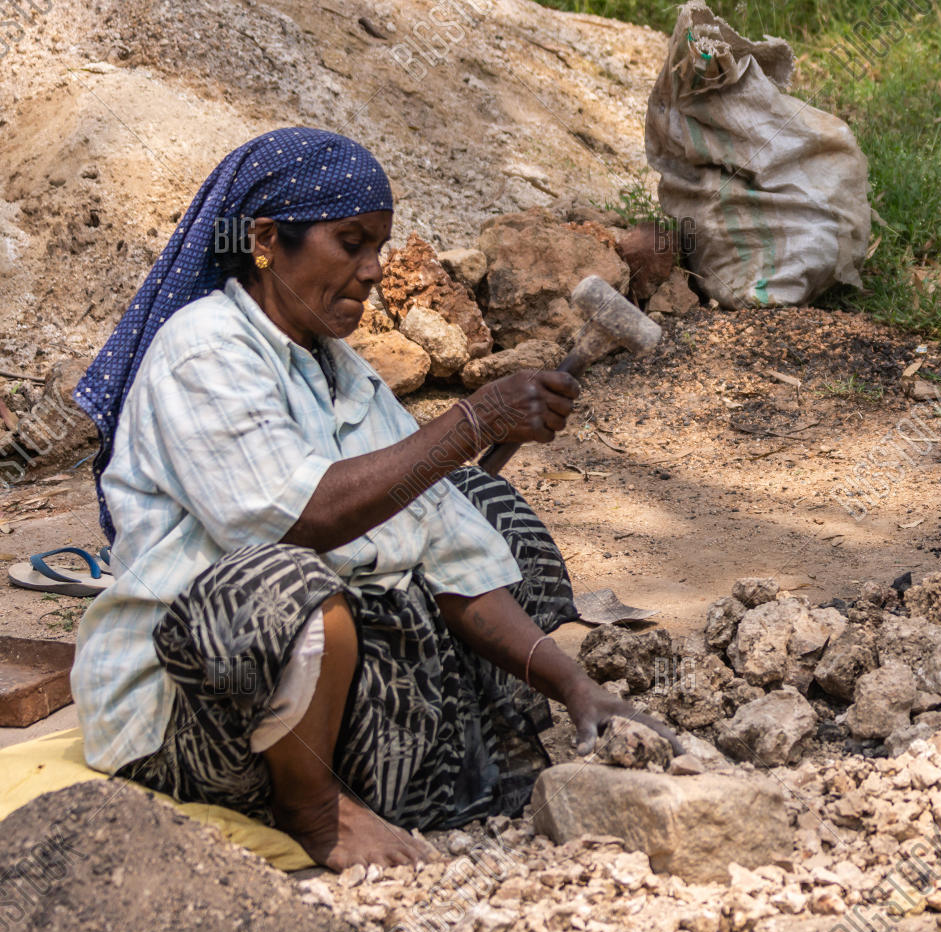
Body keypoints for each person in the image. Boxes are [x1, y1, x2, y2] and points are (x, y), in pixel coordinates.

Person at [71, 127, 674, 870]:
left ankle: (397, 775)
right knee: (286, 586)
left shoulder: (339, 369)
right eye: (351, 244)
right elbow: (298, 519)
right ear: (265, 240)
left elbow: (449, 543)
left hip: (302, 687)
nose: (372, 272)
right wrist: (472, 419)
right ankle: (314, 812)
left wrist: (575, 684)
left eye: (379, 247)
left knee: (492, 513)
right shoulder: (202, 352)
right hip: (188, 711)